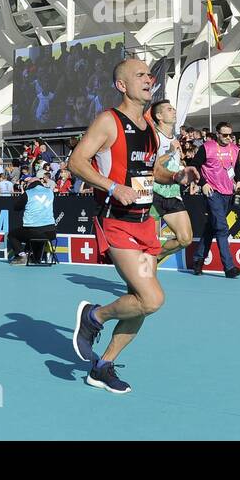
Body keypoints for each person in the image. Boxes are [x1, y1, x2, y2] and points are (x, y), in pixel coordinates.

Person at [66, 58, 192, 394]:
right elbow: (75, 161)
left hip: (145, 222)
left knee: (141, 302)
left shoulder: (150, 128)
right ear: (122, 85)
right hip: (116, 221)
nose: (149, 79)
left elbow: (151, 174)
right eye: (140, 75)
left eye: (150, 75)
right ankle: (95, 316)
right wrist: (111, 186)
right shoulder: (108, 121)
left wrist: (177, 175)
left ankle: (103, 365)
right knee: (152, 299)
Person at [186, 120, 240, 278]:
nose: (228, 138)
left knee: (212, 227)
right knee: (222, 227)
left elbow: (237, 168)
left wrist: (239, 181)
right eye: (224, 135)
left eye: (230, 135)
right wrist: (202, 183)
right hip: (212, 191)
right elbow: (195, 165)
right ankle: (229, 267)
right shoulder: (207, 147)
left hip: (228, 192)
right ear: (217, 134)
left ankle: (197, 260)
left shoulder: (234, 148)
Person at [148, 99, 194, 264]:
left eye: (173, 108)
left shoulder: (174, 137)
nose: (174, 111)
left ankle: (156, 256)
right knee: (148, 243)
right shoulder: (154, 137)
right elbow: (152, 165)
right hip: (152, 194)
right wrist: (171, 151)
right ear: (159, 116)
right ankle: (141, 279)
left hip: (172, 193)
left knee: (185, 239)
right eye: (169, 109)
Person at [7, 165, 58, 263]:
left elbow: (16, 207)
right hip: (51, 232)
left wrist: (23, 190)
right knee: (34, 233)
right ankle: (35, 257)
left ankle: (21, 256)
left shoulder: (28, 193)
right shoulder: (50, 192)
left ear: (29, 184)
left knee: (12, 234)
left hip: (34, 231)